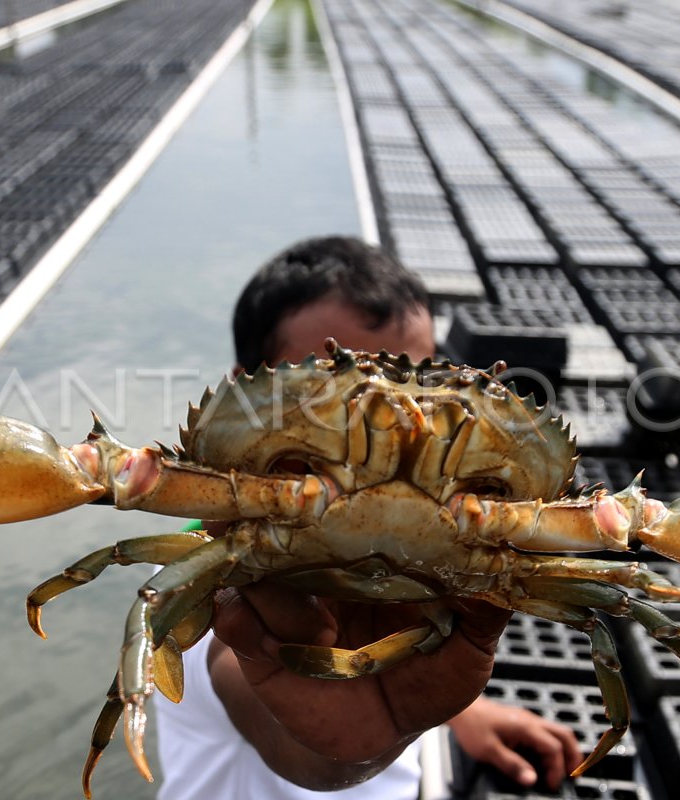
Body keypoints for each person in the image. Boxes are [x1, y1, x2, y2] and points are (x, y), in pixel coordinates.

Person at [154, 236, 581, 798]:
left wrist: (457, 717)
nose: (396, 425)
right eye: (336, 382)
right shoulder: (208, 572)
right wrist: (353, 744)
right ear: (248, 393)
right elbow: (275, 712)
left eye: (426, 383)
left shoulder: (442, 542)